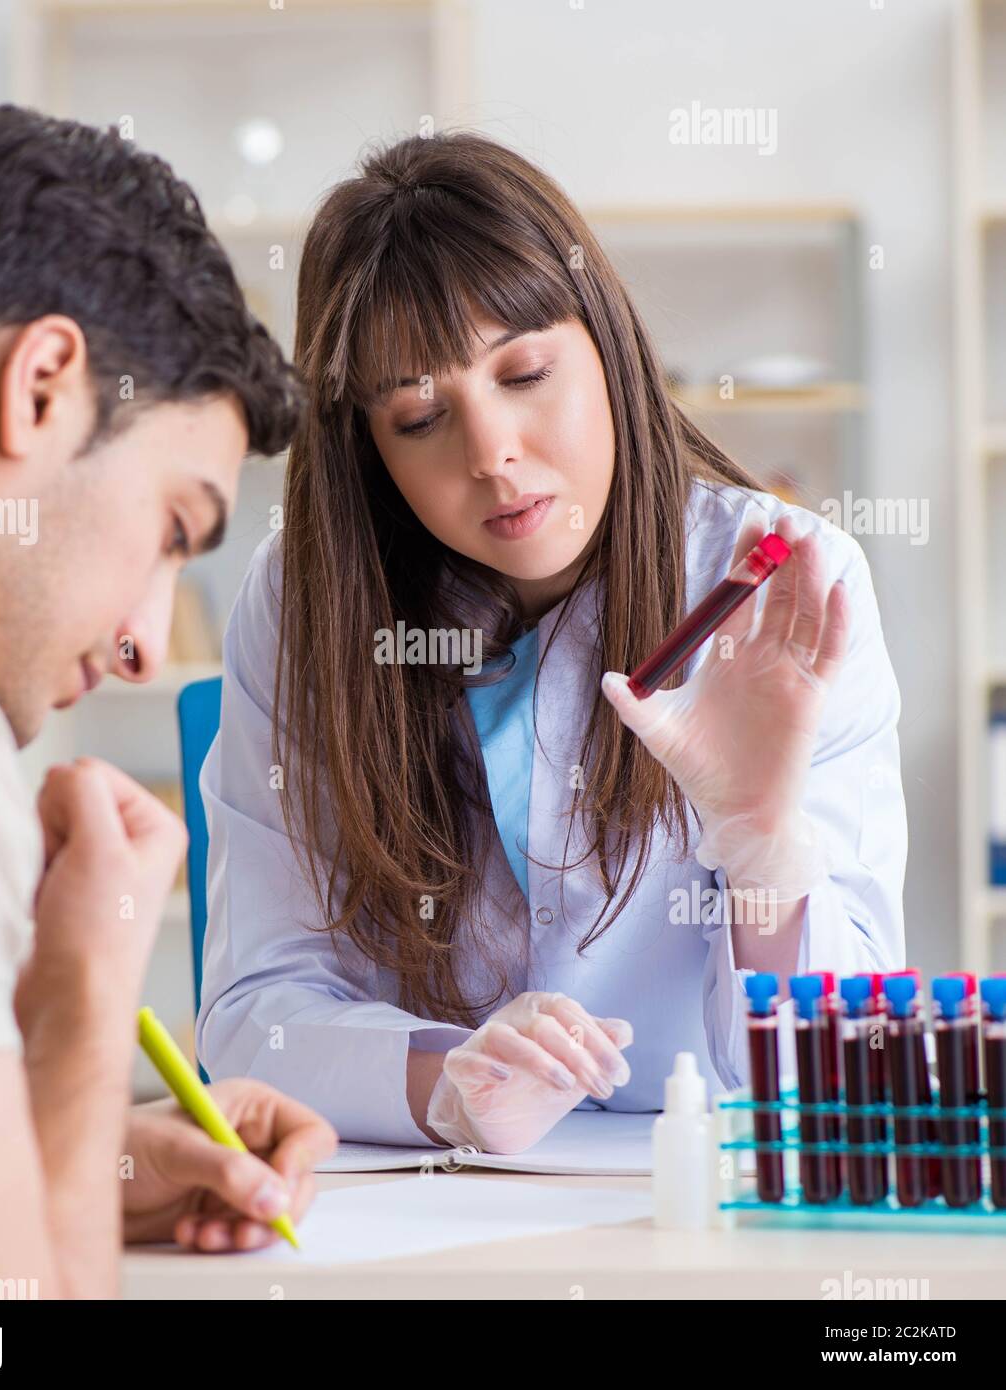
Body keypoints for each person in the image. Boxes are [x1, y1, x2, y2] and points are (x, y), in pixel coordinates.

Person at [197, 130, 907, 1152]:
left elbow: (850, 1071)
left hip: (697, 1189)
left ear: (609, 345)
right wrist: (447, 1080)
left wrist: (762, 837)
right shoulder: (306, 604)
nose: (493, 454)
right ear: (367, 450)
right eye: (419, 416)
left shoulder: (778, 582)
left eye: (524, 373)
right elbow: (253, 1012)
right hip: (425, 1199)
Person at [0, 105, 336, 1300]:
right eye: (173, 530)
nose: (137, 643)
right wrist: (82, 1006)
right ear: (45, 386)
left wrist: (80, 1156)